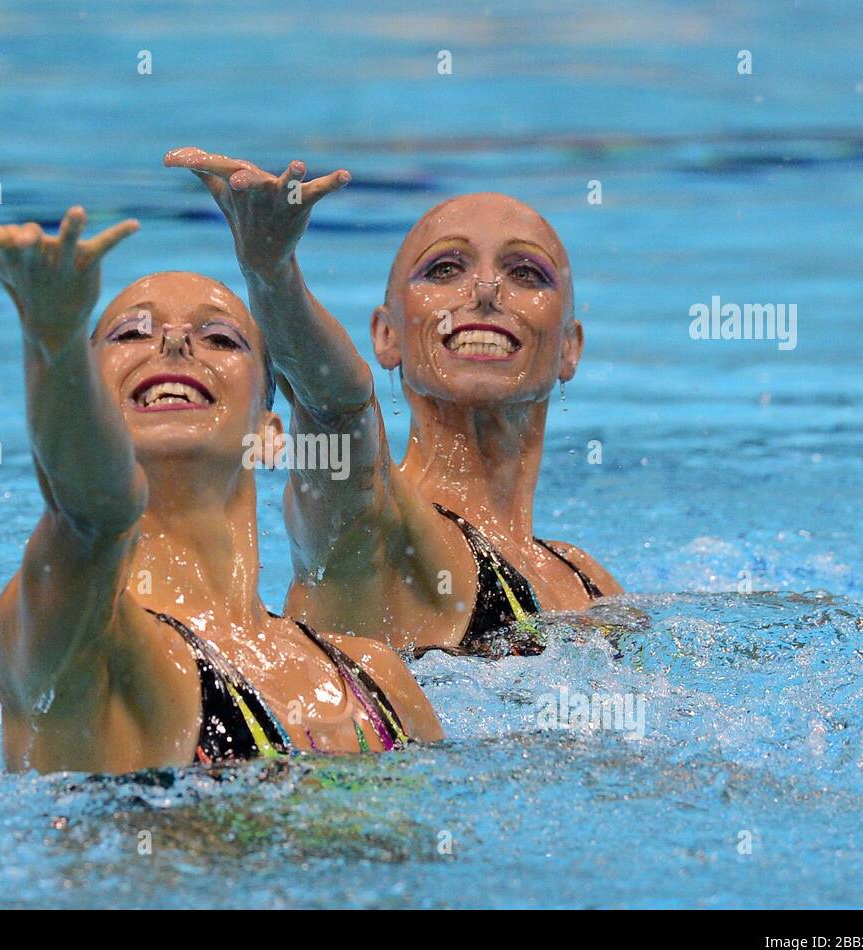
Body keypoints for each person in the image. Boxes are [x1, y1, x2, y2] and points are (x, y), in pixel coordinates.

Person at [0, 206, 442, 774]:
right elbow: (91, 516)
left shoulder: (375, 677)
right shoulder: (77, 632)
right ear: (90, 405)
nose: (173, 345)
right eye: (130, 334)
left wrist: (273, 271)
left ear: (271, 436)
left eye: (220, 338)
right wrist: (55, 340)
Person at [166, 149, 622, 657]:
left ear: (570, 347)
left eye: (527, 273)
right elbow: (333, 408)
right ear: (386, 336)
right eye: (446, 268)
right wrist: (272, 271)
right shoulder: (372, 525)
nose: (487, 290)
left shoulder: (588, 583)